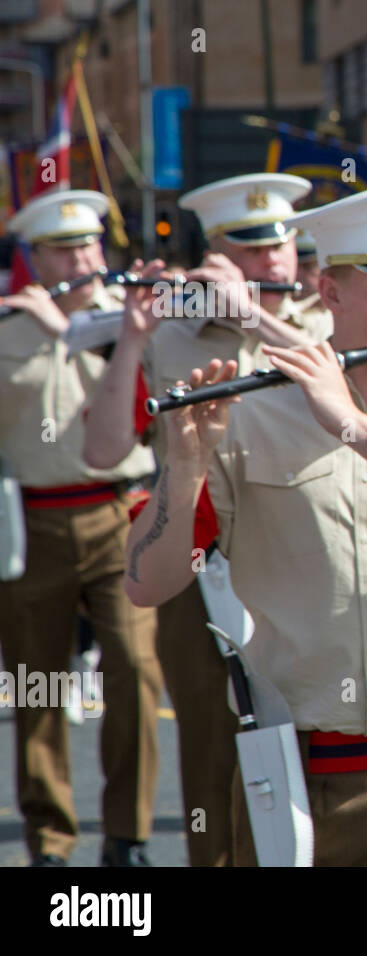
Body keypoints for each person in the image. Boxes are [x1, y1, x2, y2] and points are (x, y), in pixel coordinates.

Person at [120, 179, 367, 867]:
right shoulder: (250, 413)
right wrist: (184, 466)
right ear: (329, 293)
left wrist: (355, 427)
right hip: (308, 789)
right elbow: (146, 584)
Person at [82, 173, 325, 867]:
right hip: (200, 568)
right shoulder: (169, 331)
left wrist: (253, 316)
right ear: (213, 252)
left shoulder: (318, 320)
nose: (272, 260)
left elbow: (345, 410)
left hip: (303, 559)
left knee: (316, 746)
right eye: (248, 247)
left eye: (281, 242)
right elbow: (102, 449)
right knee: (213, 759)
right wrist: (133, 339)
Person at [0, 190, 163, 866]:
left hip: (119, 510)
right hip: (31, 522)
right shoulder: (7, 329)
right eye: (65, 248)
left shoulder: (131, 321)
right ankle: (50, 838)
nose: (84, 258)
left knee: (133, 668)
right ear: (35, 259)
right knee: (37, 685)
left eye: (91, 244)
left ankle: (127, 834)